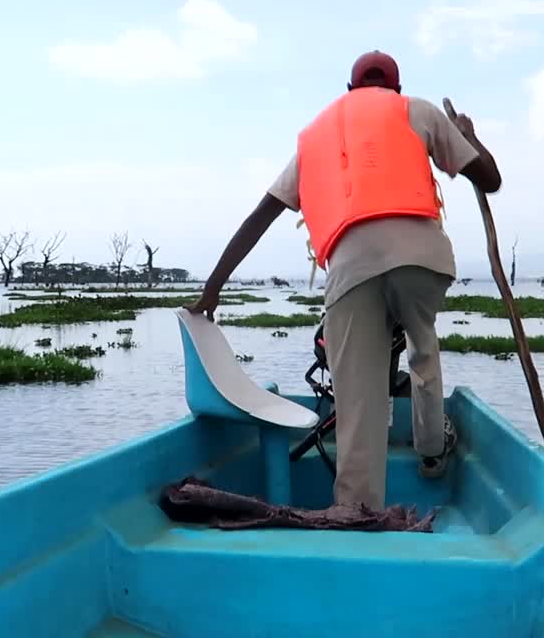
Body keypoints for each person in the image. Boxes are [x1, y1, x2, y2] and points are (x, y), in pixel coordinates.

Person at [185, 50, 503, 510]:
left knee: (357, 398)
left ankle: (356, 509)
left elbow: (262, 215)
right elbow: (489, 179)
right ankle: (432, 453)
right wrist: (470, 137)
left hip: (352, 266)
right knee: (422, 347)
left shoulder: (319, 134)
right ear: (394, 88)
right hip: (423, 256)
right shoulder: (417, 109)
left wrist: (213, 288)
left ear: (350, 90)